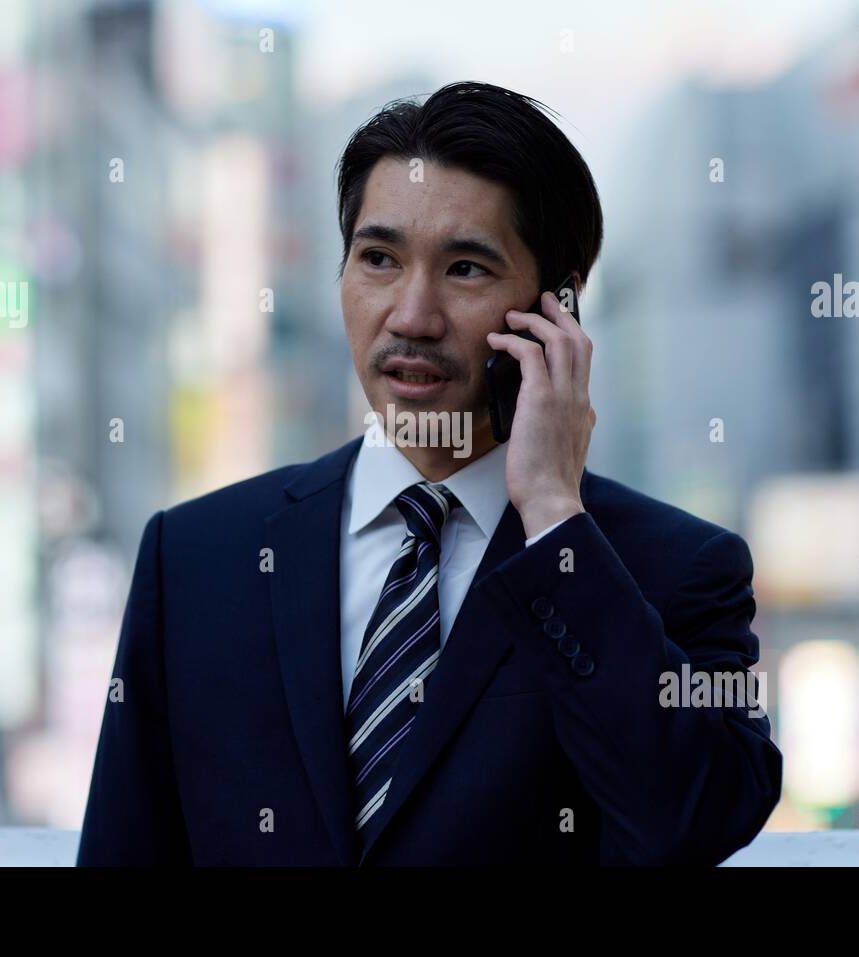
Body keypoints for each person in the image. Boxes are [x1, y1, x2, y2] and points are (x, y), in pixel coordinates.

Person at [76, 80, 781, 866]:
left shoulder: (674, 570)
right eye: (378, 258)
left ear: (560, 309)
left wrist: (553, 517)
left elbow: (697, 815)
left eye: (466, 269)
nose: (412, 315)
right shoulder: (199, 558)